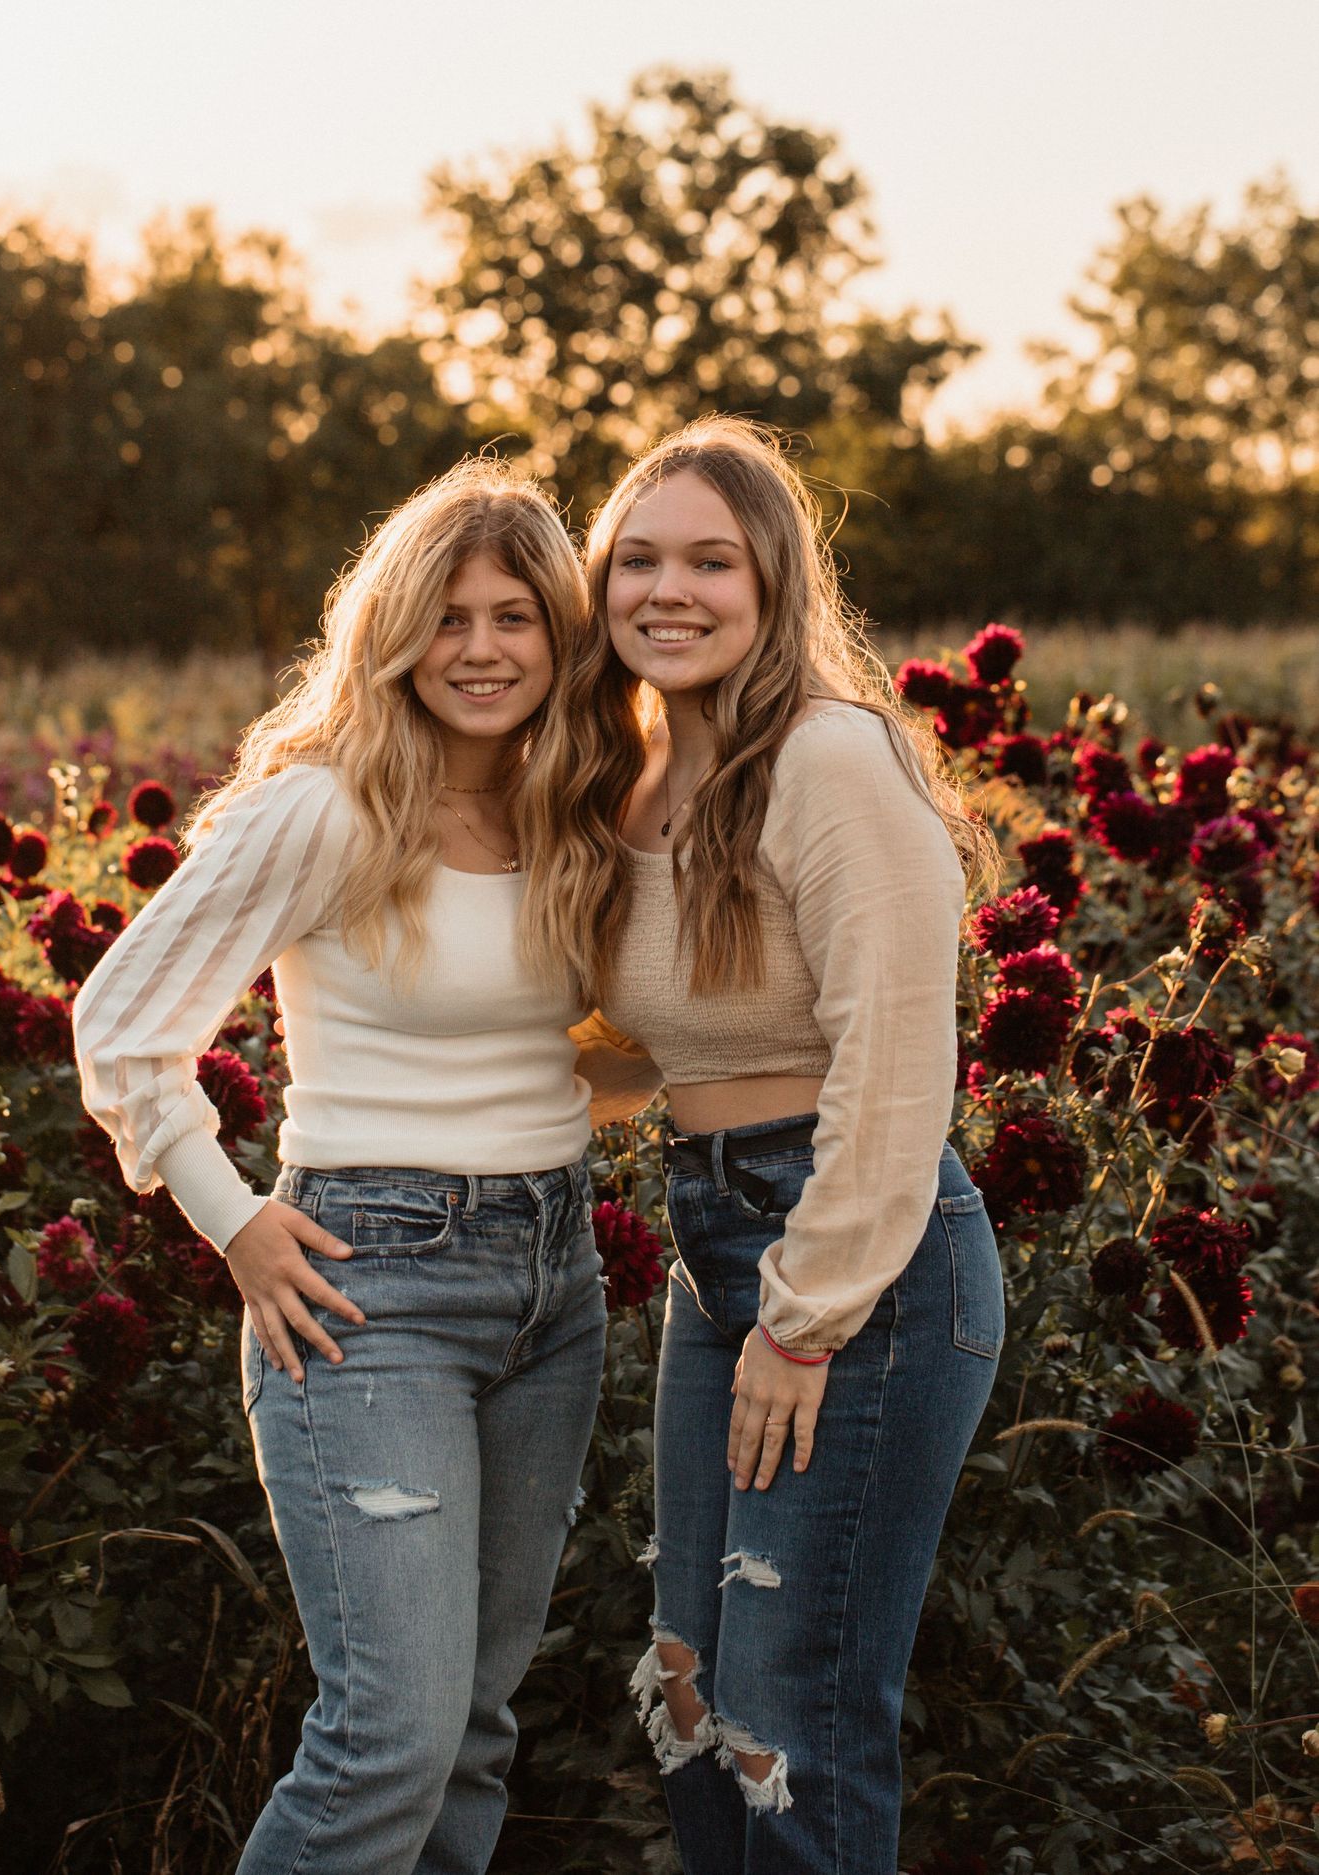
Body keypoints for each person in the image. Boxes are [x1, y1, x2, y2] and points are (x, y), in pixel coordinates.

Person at [73, 461, 617, 1875]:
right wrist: (234, 1219)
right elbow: (123, 1024)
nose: (483, 648)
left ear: (563, 634)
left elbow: (597, 1048)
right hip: (370, 1286)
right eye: (448, 618)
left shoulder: (576, 809)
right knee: (388, 1736)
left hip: (559, 1283)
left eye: (515, 615)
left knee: (474, 1734)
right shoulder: (328, 810)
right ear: (395, 633)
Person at [555, 417, 1004, 1874]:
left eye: (710, 560)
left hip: (858, 1262)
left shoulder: (828, 758)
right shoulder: (637, 783)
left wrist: (806, 1322)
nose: (666, 590)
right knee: (694, 1693)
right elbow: (657, 1051)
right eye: (636, 559)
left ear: (776, 585)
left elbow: (893, 1062)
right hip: (715, 1250)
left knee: (790, 1719)